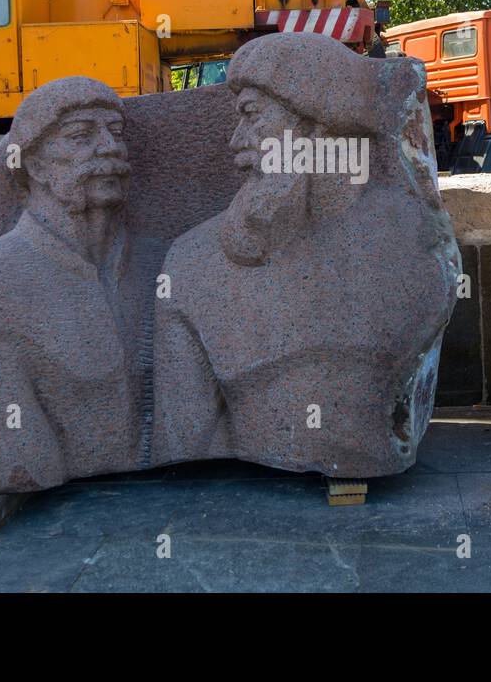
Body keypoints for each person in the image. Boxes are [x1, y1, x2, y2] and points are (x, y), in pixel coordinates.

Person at [150, 33, 459, 477]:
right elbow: (183, 439)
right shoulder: (192, 264)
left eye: (252, 115)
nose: (237, 141)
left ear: (320, 122)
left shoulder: (413, 243)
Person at [0, 77, 162, 492]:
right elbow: (15, 459)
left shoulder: (164, 265)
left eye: (115, 133)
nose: (110, 147)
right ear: (33, 164)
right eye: (81, 136)